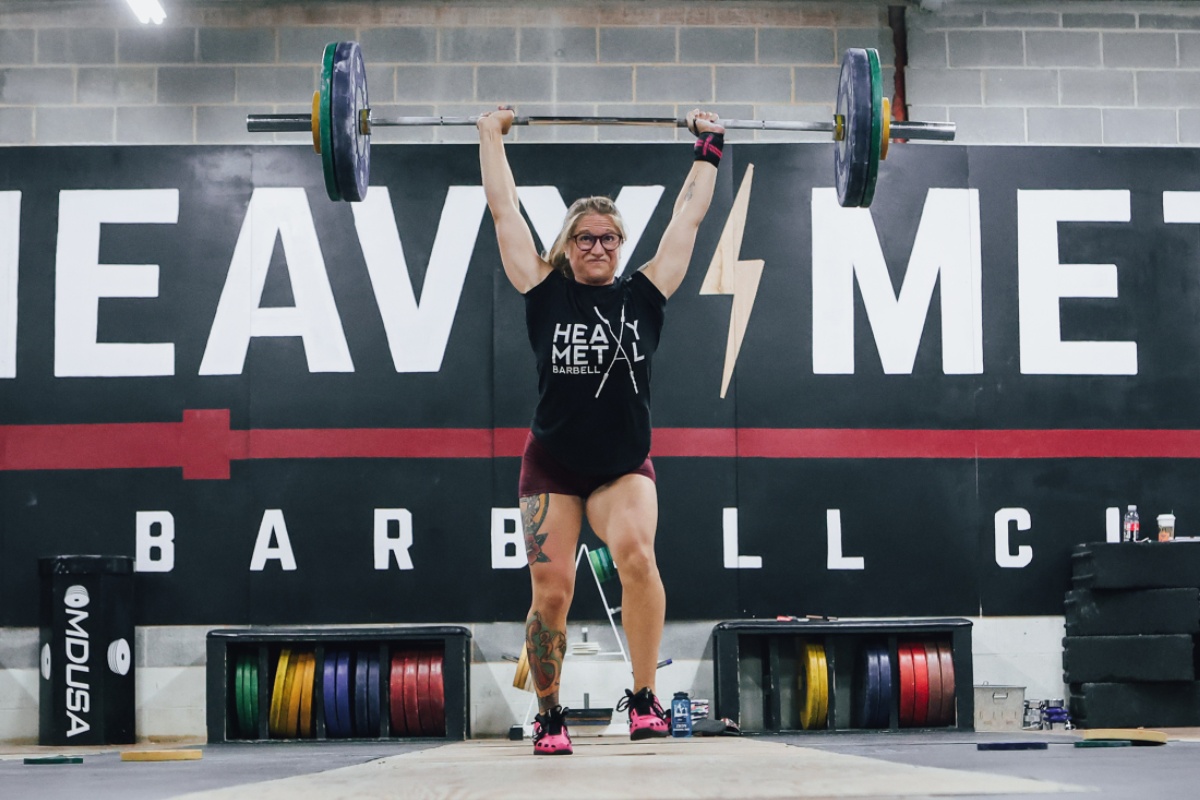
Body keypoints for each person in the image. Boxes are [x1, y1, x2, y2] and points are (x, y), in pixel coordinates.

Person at [477, 106, 724, 756]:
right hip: (553, 464)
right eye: (584, 237)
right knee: (551, 592)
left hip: (621, 466)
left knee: (637, 560)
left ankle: (643, 699)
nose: (596, 247)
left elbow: (687, 220)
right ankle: (550, 712)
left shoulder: (644, 294)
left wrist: (710, 146)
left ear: (620, 244)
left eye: (608, 237)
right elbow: (505, 213)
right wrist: (487, 136)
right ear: (568, 243)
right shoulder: (544, 290)